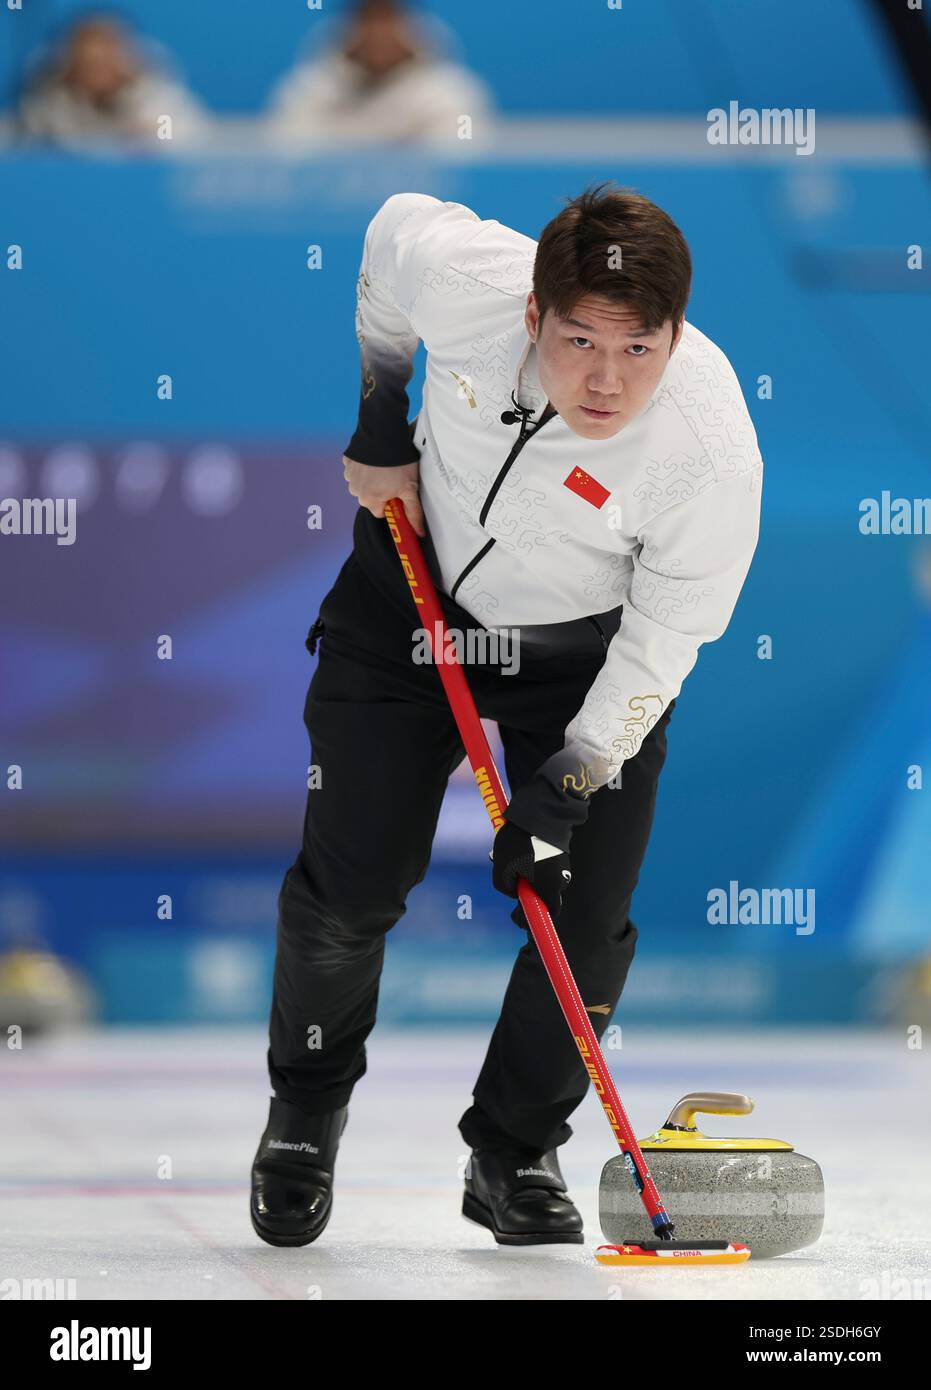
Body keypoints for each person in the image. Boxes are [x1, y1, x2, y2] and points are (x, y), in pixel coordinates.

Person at [251, 183, 764, 1248]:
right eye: (579, 339)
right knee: (348, 890)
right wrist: (381, 413)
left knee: (584, 920)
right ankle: (305, 1107)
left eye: (638, 348)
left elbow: (666, 641)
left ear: (677, 335)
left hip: (585, 658)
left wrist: (569, 781)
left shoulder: (707, 449)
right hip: (410, 599)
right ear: (532, 315)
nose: (604, 379)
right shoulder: (469, 277)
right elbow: (387, 234)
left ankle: (514, 1145)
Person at [265, 0, 492, 148]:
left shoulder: (452, 92)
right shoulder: (309, 90)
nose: (379, 33)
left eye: (388, 19)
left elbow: (460, 159)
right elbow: (289, 151)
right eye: (368, 19)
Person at [18, 12, 208, 150]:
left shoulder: (161, 105)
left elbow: (191, 142)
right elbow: (18, 145)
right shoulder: (48, 109)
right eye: (87, 62)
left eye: (105, 59)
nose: (96, 70)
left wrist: (151, 137)